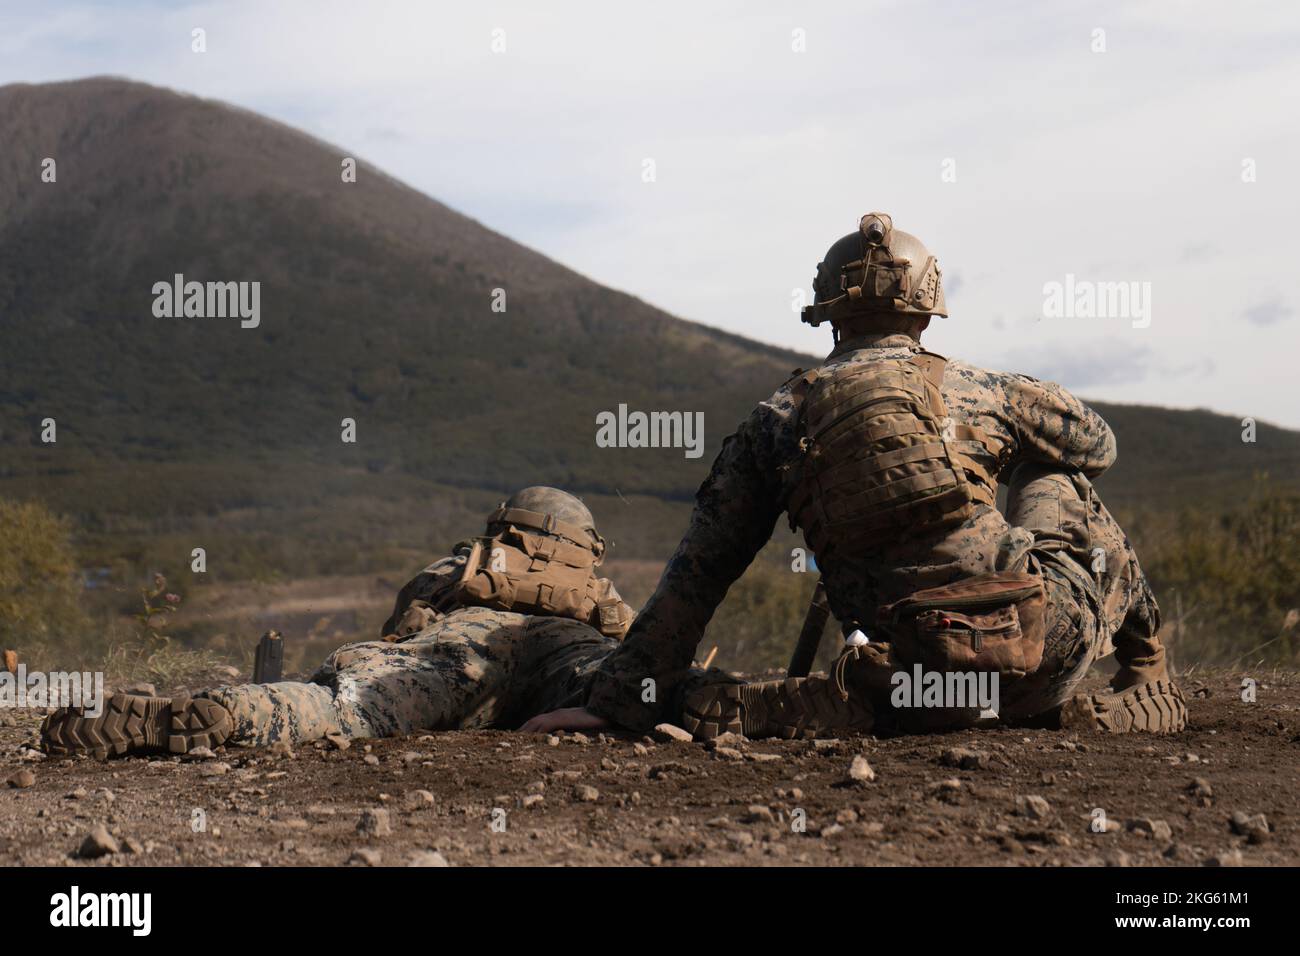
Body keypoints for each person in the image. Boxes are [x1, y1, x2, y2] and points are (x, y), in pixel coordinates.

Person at [527, 212, 1187, 740]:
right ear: (927, 312)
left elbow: (700, 571)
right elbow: (1097, 445)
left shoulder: (778, 419)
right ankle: (1146, 666)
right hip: (1042, 650)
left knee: (904, 656)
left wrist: (622, 696)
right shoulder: (983, 391)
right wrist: (987, 455)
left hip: (918, 674)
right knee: (1059, 472)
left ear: (830, 315)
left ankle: (844, 694)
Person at [42, 487, 735, 758]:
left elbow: (402, 626)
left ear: (506, 529)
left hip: (462, 649)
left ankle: (218, 714)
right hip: (571, 655)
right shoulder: (596, 590)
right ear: (585, 547)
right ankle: (720, 705)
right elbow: (638, 646)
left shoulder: (465, 564)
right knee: (633, 686)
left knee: (348, 705)